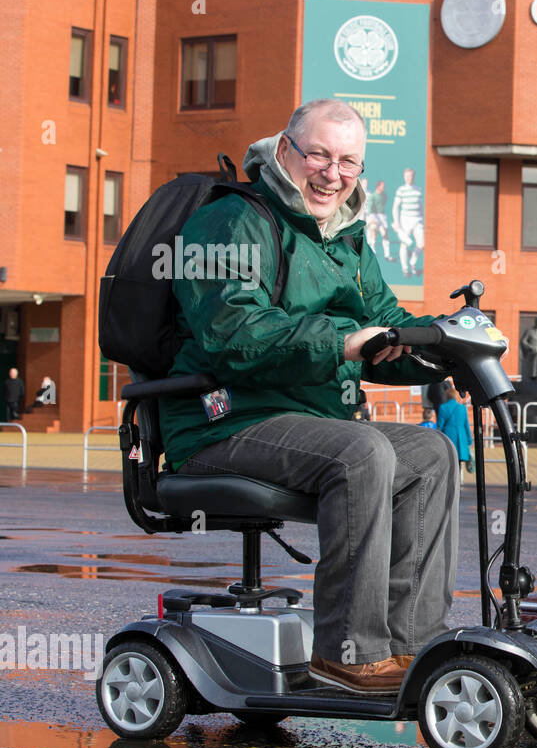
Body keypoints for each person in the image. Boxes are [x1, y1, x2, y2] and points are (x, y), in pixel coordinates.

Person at [159, 98, 460, 695]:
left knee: (431, 454)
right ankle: (348, 651)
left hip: (309, 421)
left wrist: (450, 345)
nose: (332, 173)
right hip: (223, 421)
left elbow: (385, 327)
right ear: (283, 150)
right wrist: (345, 343)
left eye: (349, 162)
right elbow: (234, 335)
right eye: (318, 154)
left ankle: (413, 645)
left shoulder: (346, 238)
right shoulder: (233, 222)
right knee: (362, 452)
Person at [392, 167, 424, 278]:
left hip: (417, 220)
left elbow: (421, 206)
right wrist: (396, 222)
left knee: (421, 244)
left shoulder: (418, 189)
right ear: (404, 177)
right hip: (405, 219)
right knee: (405, 244)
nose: (409, 178)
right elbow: (395, 207)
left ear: (413, 177)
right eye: (407, 176)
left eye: (410, 176)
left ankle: (412, 262)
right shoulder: (401, 190)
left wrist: (422, 218)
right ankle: (405, 268)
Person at [434, 379, 473, 472]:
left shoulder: (443, 407)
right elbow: (466, 425)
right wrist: (469, 440)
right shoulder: (462, 408)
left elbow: (439, 425)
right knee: (458, 464)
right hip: (461, 438)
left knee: (449, 464)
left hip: (448, 437)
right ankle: (457, 483)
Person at [361, 177, 394, 263]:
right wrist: (372, 219)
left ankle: (387, 254)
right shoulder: (373, 196)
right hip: (374, 216)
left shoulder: (384, 196)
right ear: (378, 186)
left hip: (382, 217)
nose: (384, 187)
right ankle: (372, 251)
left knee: (385, 234)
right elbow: (370, 209)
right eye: (382, 186)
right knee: (373, 231)